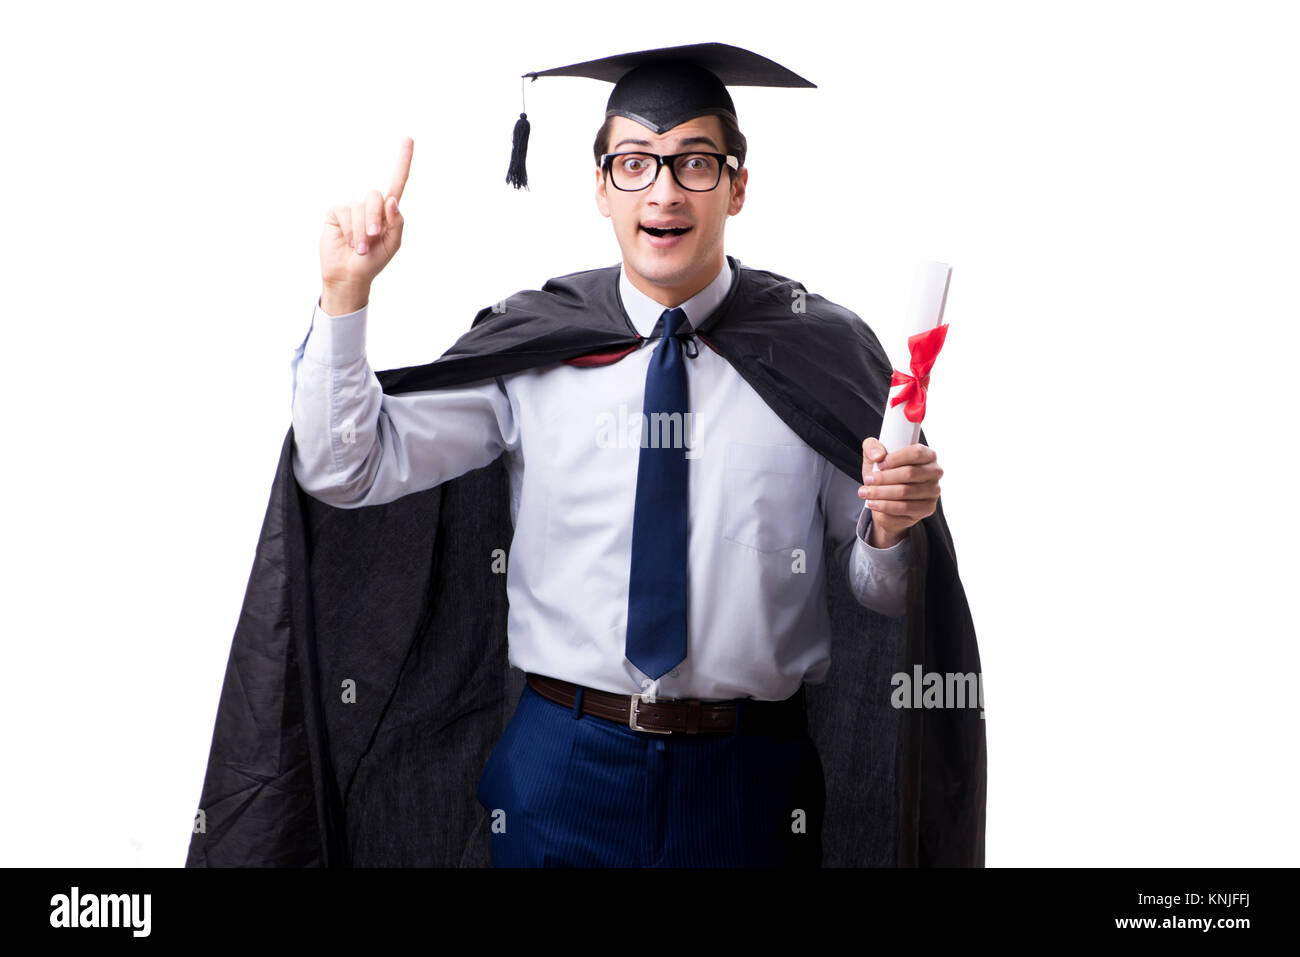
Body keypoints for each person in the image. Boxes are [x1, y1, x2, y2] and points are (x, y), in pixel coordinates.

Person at [186, 43, 985, 869]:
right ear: (600, 186)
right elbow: (344, 467)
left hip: (749, 781)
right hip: (560, 769)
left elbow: (878, 591)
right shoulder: (537, 344)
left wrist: (891, 530)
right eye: (634, 163)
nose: (664, 190)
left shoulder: (817, 353)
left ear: (739, 186)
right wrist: (345, 296)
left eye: (696, 163)